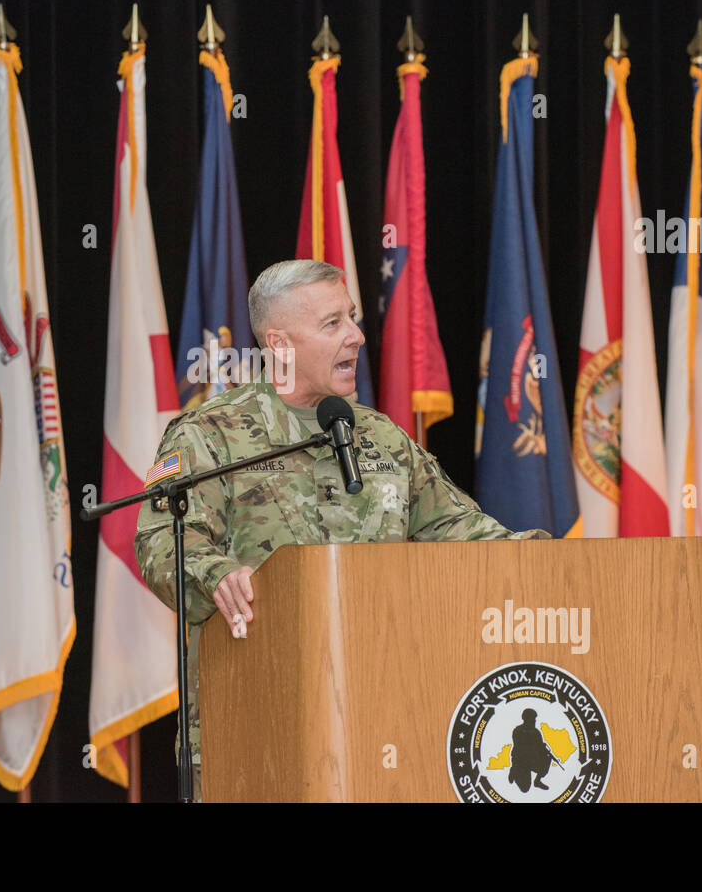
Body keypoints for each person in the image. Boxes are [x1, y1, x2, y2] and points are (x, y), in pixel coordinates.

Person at [134, 259, 548, 799]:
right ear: (279, 345)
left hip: (388, 727)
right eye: (333, 324)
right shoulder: (212, 435)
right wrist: (214, 572)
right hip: (254, 726)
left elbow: (464, 533)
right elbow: (161, 539)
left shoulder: (381, 437)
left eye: (351, 319)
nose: (356, 336)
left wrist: (552, 563)